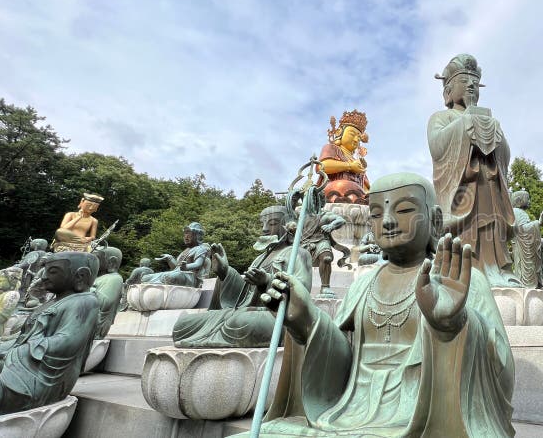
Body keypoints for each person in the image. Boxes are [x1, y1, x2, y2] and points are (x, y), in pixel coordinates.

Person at [249, 173, 514, 437]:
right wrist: (306, 319)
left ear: (434, 220)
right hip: (347, 412)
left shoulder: (459, 281)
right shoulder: (362, 284)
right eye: (375, 214)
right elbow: (341, 361)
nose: (387, 221)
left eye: (405, 210)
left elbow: (503, 373)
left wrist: (453, 327)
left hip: (422, 418)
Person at [427, 54, 519, 288]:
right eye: (465, 80)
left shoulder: (489, 119)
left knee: (491, 228)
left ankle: (495, 270)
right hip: (462, 189)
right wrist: (467, 122)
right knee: (466, 236)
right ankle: (464, 272)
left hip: (488, 184)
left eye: (475, 82)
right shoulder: (441, 117)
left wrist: (490, 130)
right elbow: (437, 148)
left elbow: (505, 155)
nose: (471, 85)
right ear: (448, 88)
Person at [172, 206, 312, 348]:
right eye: (262, 224)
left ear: (289, 227)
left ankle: (218, 333)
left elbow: (302, 292)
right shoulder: (260, 258)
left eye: (272, 223)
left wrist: (267, 281)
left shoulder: (298, 254)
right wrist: (225, 272)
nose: (264, 229)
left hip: (277, 316)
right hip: (244, 311)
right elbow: (244, 295)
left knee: (243, 321)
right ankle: (214, 333)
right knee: (182, 325)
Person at [0, 252, 99, 414]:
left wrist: (18, 350)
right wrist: (5, 347)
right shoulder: (53, 302)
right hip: (26, 362)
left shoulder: (85, 301)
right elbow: (25, 337)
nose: (43, 276)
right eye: (44, 270)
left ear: (81, 276)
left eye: (52, 272)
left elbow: (68, 342)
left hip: (43, 375)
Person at [319, 110, 370, 204]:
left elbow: (366, 186)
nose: (356, 139)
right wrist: (350, 166)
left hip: (358, 195)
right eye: (352, 134)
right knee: (343, 185)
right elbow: (321, 167)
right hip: (335, 191)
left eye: (359, 138)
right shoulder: (331, 148)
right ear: (339, 132)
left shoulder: (356, 161)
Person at [140, 222, 211, 288]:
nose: (186, 237)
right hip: (177, 273)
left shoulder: (201, 249)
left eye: (189, 234)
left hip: (190, 276)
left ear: (197, 236)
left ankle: (159, 284)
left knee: (172, 276)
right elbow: (176, 267)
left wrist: (186, 266)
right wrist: (170, 258)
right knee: (146, 277)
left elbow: (198, 264)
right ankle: (156, 283)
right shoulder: (185, 251)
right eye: (185, 234)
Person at [92, 247, 124, 339]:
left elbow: (105, 303)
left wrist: (87, 289)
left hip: (94, 328)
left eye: (96, 259)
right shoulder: (95, 278)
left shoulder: (114, 278)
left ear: (112, 262)